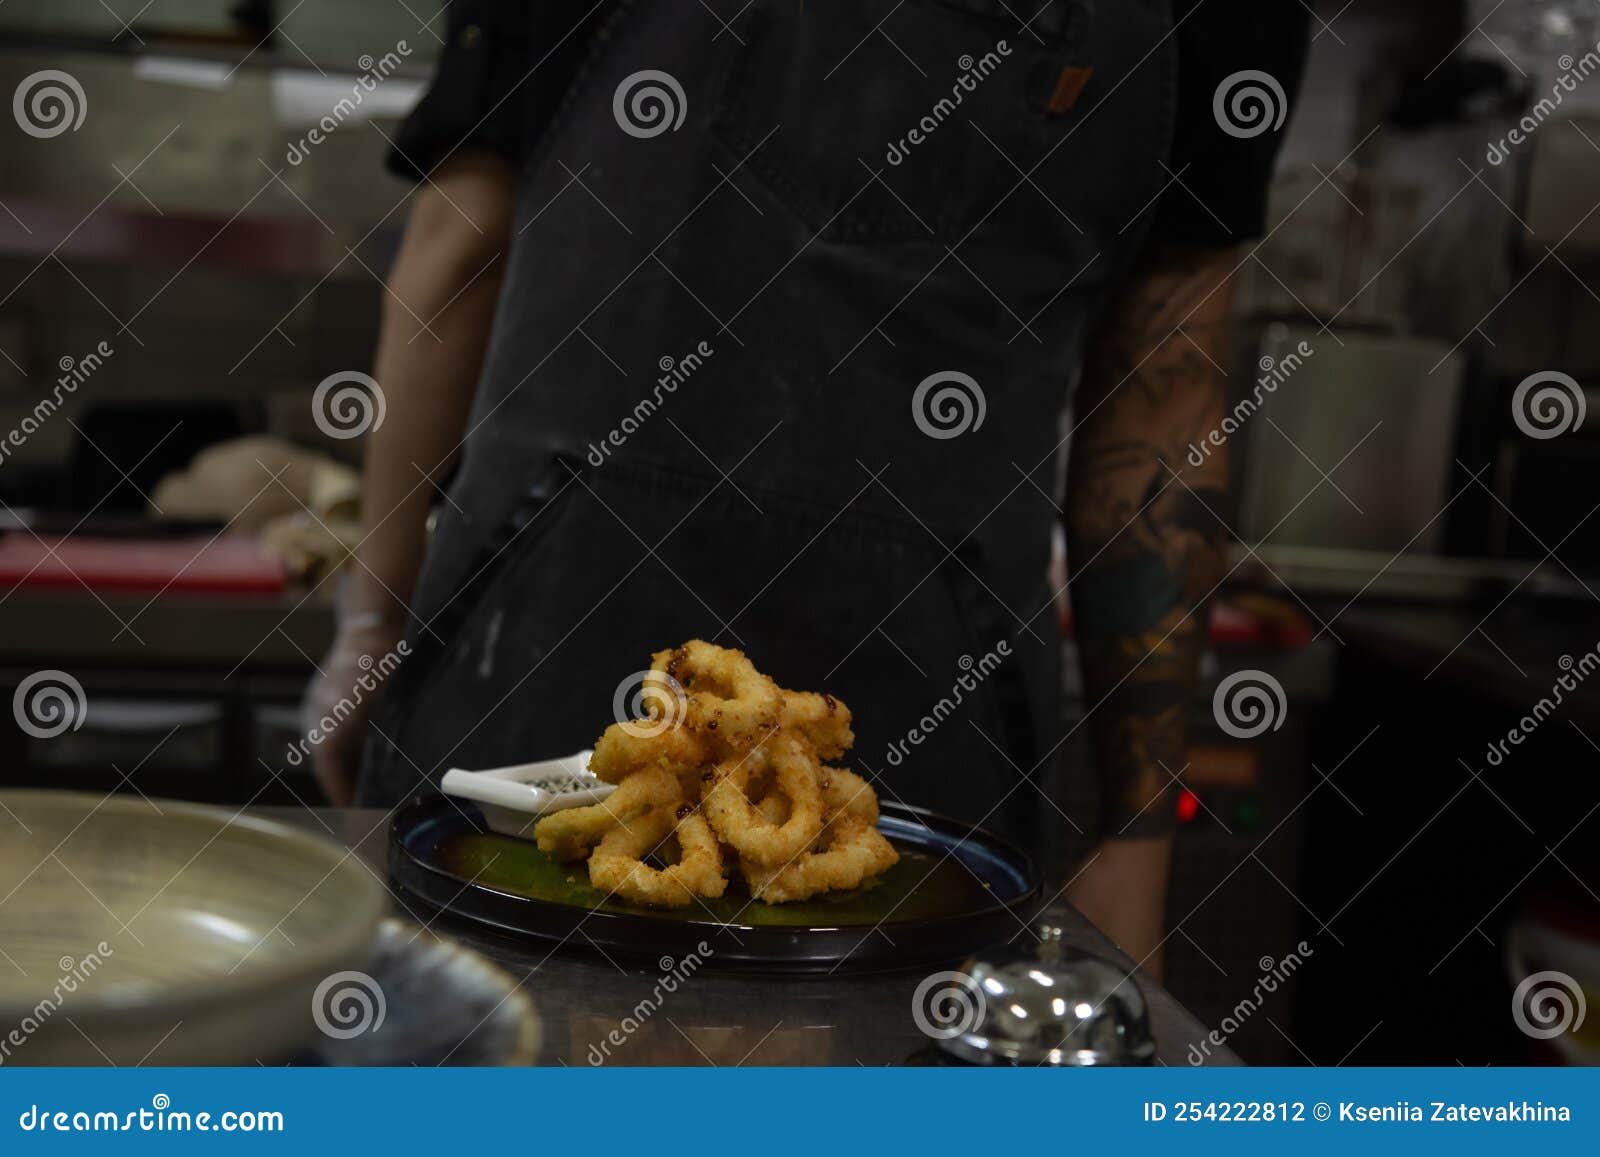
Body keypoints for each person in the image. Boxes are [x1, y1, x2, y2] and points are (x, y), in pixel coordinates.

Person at [309, 0, 1309, 977]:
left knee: (485, 1065)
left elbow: (461, 242)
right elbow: (1161, 399)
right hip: (935, 696)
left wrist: (373, 625)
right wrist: (1137, 841)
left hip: (538, 639)